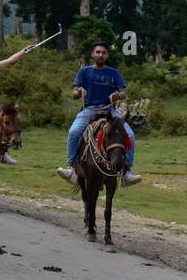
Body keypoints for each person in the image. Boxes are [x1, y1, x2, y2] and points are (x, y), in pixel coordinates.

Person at [56, 40, 142, 187]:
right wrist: (79, 92)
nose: (100, 55)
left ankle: (127, 172)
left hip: (110, 110)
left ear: (107, 55)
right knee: (74, 132)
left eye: (103, 52)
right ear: (93, 54)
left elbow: (123, 93)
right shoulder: (84, 71)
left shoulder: (114, 73)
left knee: (131, 135)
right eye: (98, 52)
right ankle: (72, 168)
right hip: (89, 109)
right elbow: (74, 93)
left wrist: (117, 95)